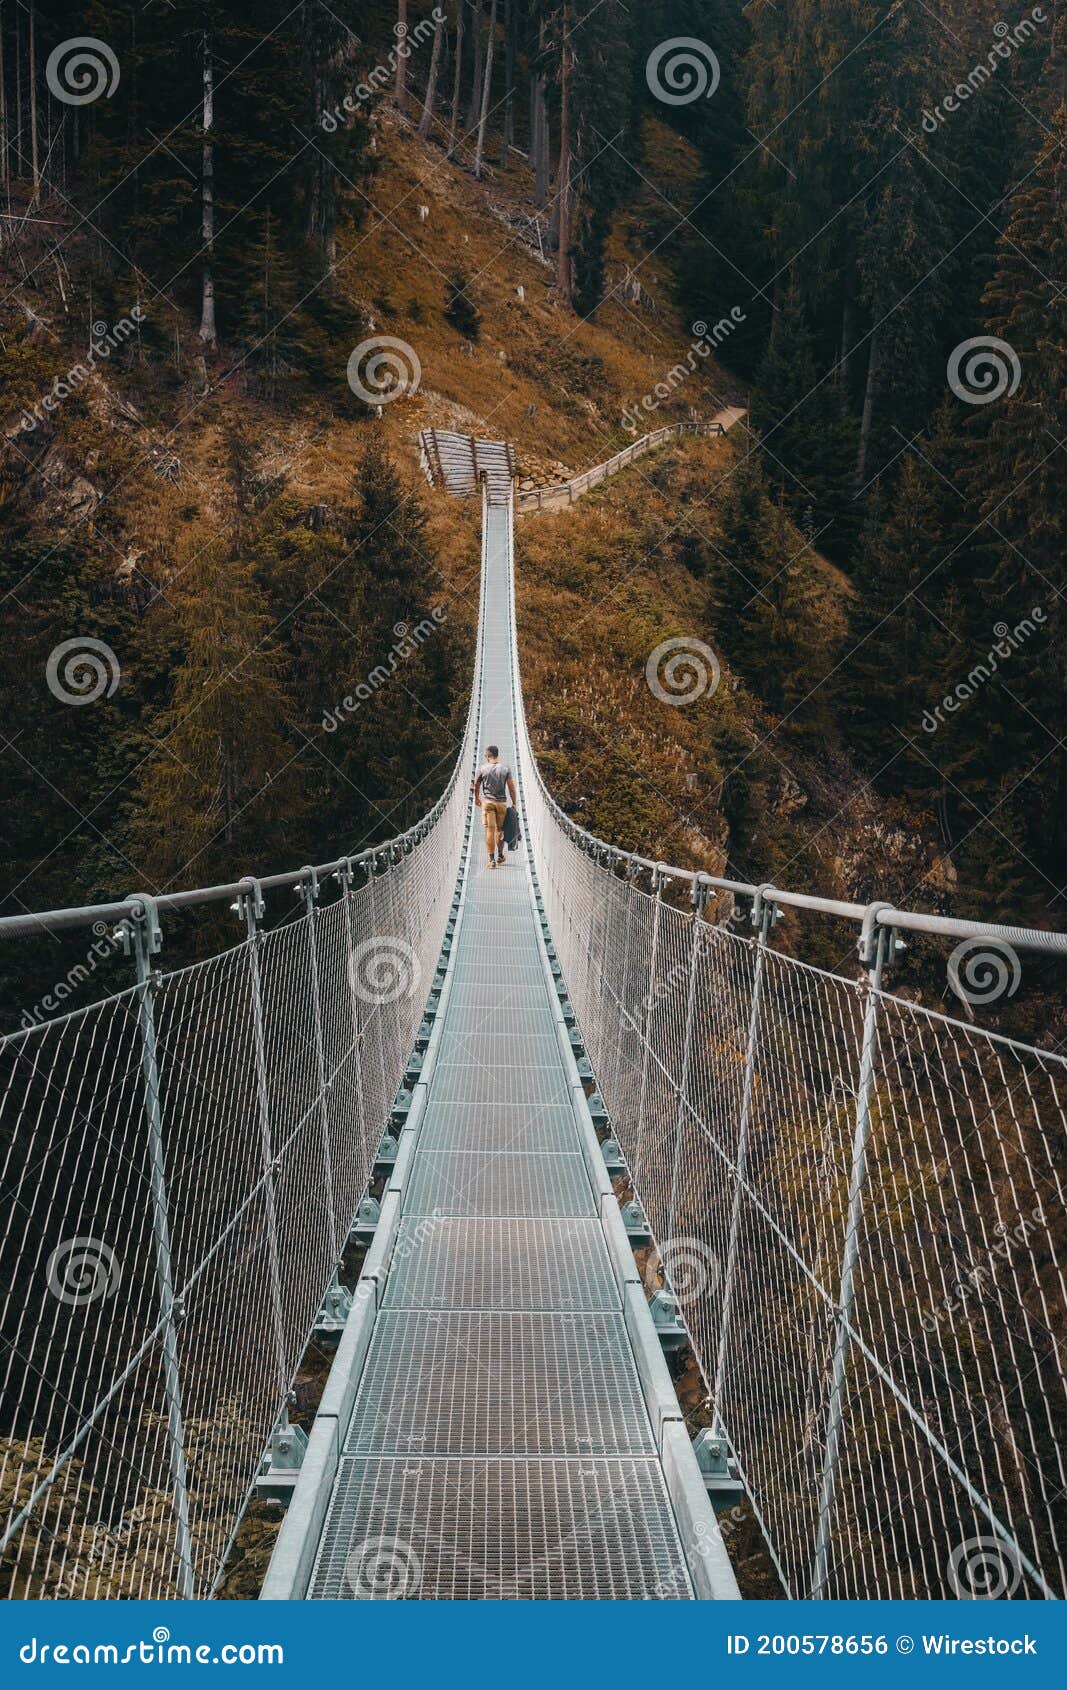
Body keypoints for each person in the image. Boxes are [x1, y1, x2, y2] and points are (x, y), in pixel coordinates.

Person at [474, 745, 517, 869]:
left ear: (488, 755)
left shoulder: (482, 769)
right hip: (501, 804)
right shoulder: (505, 769)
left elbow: (476, 785)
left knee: (489, 831)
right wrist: (514, 803)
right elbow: (511, 788)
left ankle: (491, 860)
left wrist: (477, 798)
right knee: (499, 830)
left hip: (487, 803)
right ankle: (500, 855)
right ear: (496, 755)